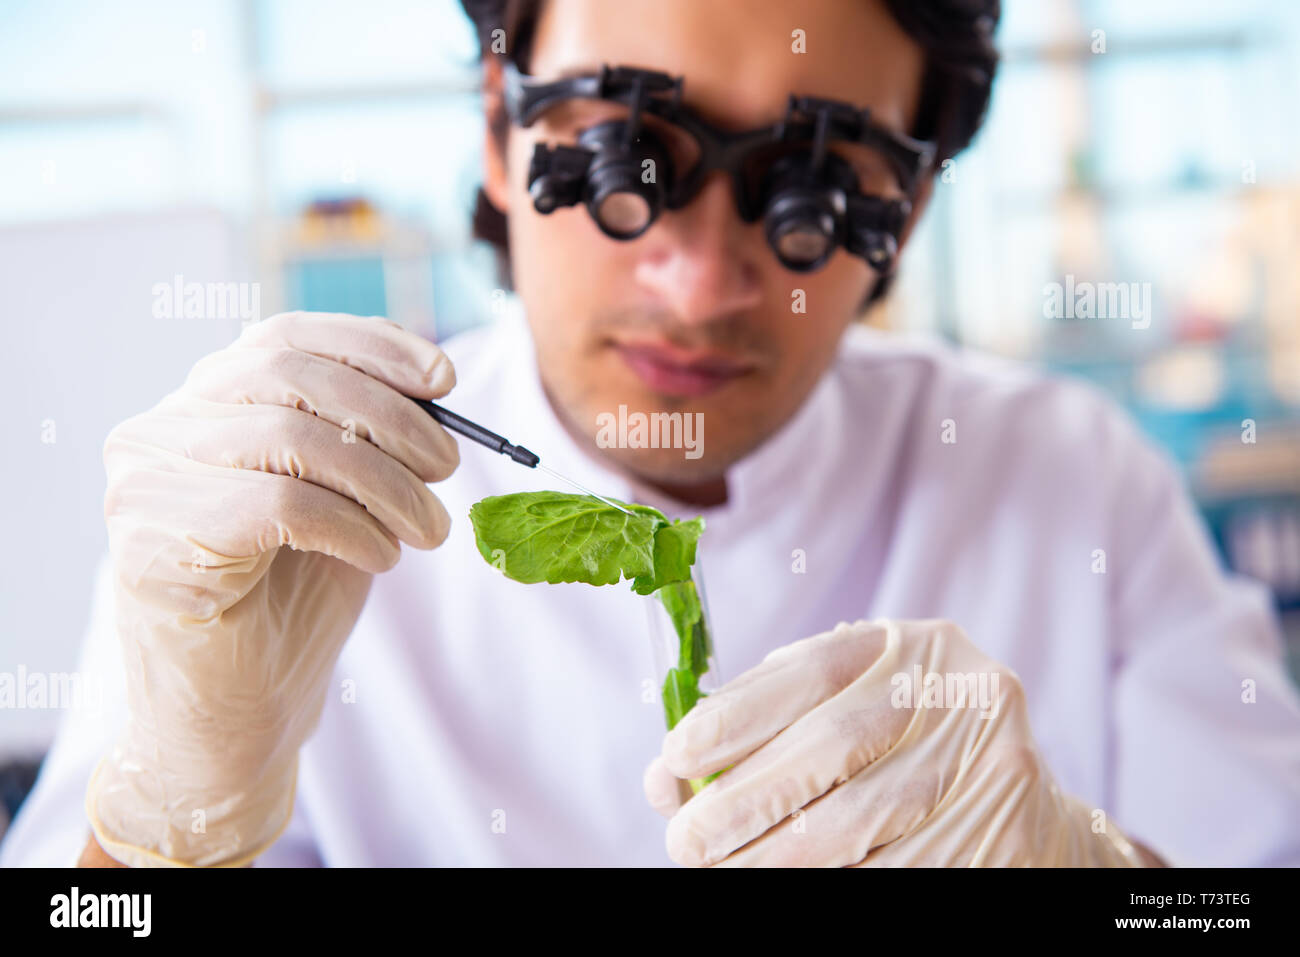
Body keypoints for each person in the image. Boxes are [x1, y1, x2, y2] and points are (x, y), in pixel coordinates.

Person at [4, 0, 1299, 868]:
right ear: (503, 136)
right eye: (632, 154)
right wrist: (167, 826)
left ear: (904, 216)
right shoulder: (265, 510)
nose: (700, 283)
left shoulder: (1079, 486)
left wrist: (1088, 866)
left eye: (816, 190)